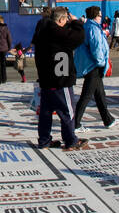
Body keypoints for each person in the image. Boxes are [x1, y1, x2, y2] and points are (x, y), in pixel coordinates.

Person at [33, 8, 87, 151]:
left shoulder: (42, 29)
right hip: (60, 80)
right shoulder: (57, 33)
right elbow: (78, 37)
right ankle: (71, 140)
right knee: (68, 111)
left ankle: (44, 141)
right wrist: (76, 22)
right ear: (61, 20)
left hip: (46, 80)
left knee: (45, 113)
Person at [73, 6, 119, 133]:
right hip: (93, 66)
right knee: (86, 95)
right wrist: (101, 64)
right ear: (95, 16)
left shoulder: (89, 26)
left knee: (100, 94)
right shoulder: (93, 28)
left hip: (91, 65)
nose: (101, 17)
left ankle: (108, 120)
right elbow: (96, 48)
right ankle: (75, 124)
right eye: (100, 15)